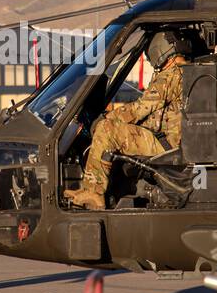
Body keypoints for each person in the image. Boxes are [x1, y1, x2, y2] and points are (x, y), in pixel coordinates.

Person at [64, 30, 196, 211]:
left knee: (107, 129)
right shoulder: (190, 73)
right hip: (172, 141)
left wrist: (107, 117)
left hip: (165, 144)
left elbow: (142, 108)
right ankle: (90, 189)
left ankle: (94, 192)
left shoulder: (171, 75)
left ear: (160, 51)